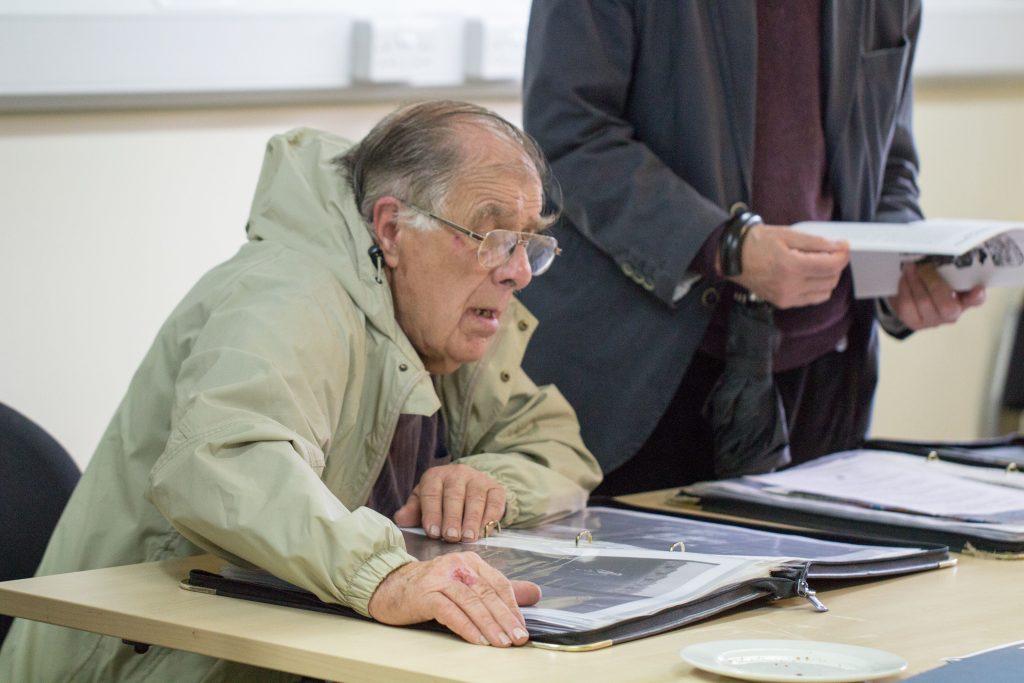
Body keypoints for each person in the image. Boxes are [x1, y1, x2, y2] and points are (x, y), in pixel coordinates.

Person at [0, 101, 602, 681]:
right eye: (491, 234)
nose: (517, 270)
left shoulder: (444, 310)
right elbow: (222, 462)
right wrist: (384, 574)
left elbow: (556, 448)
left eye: (528, 241)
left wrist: (490, 482)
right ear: (391, 229)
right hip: (145, 665)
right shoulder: (291, 293)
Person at [519, 1, 985, 494]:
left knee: (831, 572)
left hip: (825, 379)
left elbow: (888, 157)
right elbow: (571, 137)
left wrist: (902, 266)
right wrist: (726, 246)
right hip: (640, 377)